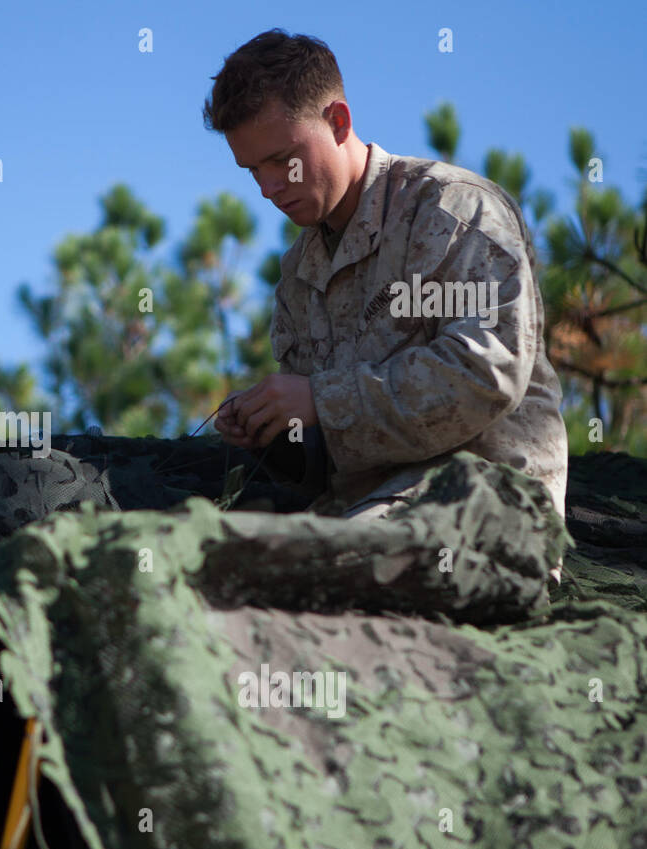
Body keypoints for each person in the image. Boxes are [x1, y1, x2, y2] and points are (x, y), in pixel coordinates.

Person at [201, 29, 568, 579]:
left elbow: (486, 373)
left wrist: (320, 400)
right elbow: (326, 453)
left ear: (339, 121)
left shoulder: (453, 211)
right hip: (359, 518)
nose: (269, 187)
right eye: (253, 170)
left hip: (483, 513)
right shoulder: (298, 276)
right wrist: (274, 431)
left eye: (282, 160)